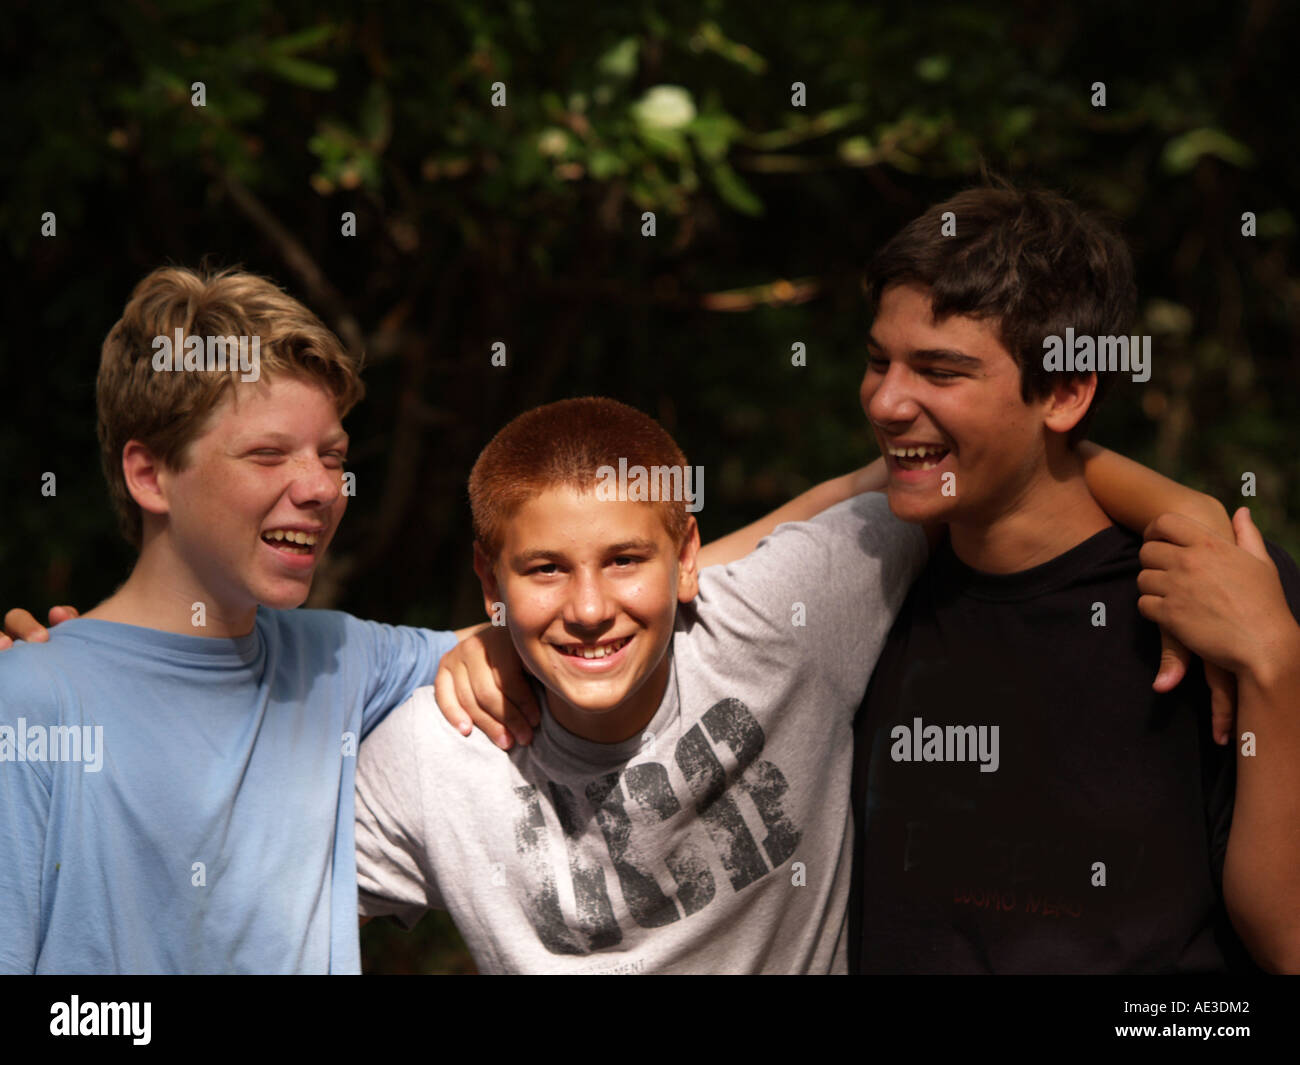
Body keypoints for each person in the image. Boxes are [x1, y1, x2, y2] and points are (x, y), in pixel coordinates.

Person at [353, 396, 1227, 973]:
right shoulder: (438, 751)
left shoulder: (782, 625)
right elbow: (251, 901)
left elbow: (964, 466)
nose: (588, 607)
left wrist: (1181, 511)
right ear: (488, 579)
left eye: (625, 560)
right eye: (544, 570)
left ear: (688, 556)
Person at [848, 184, 1300, 973]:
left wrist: (1272, 662)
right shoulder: (864, 576)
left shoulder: (1223, 592)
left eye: (939, 370)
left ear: (1064, 391)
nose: (886, 401)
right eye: (878, 361)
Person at [0, 266, 480, 974]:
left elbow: (567, 626)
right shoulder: (30, 698)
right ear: (150, 475)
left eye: (333, 456)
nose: (320, 487)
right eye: (268, 454)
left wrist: (679, 558)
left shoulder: (340, 657)